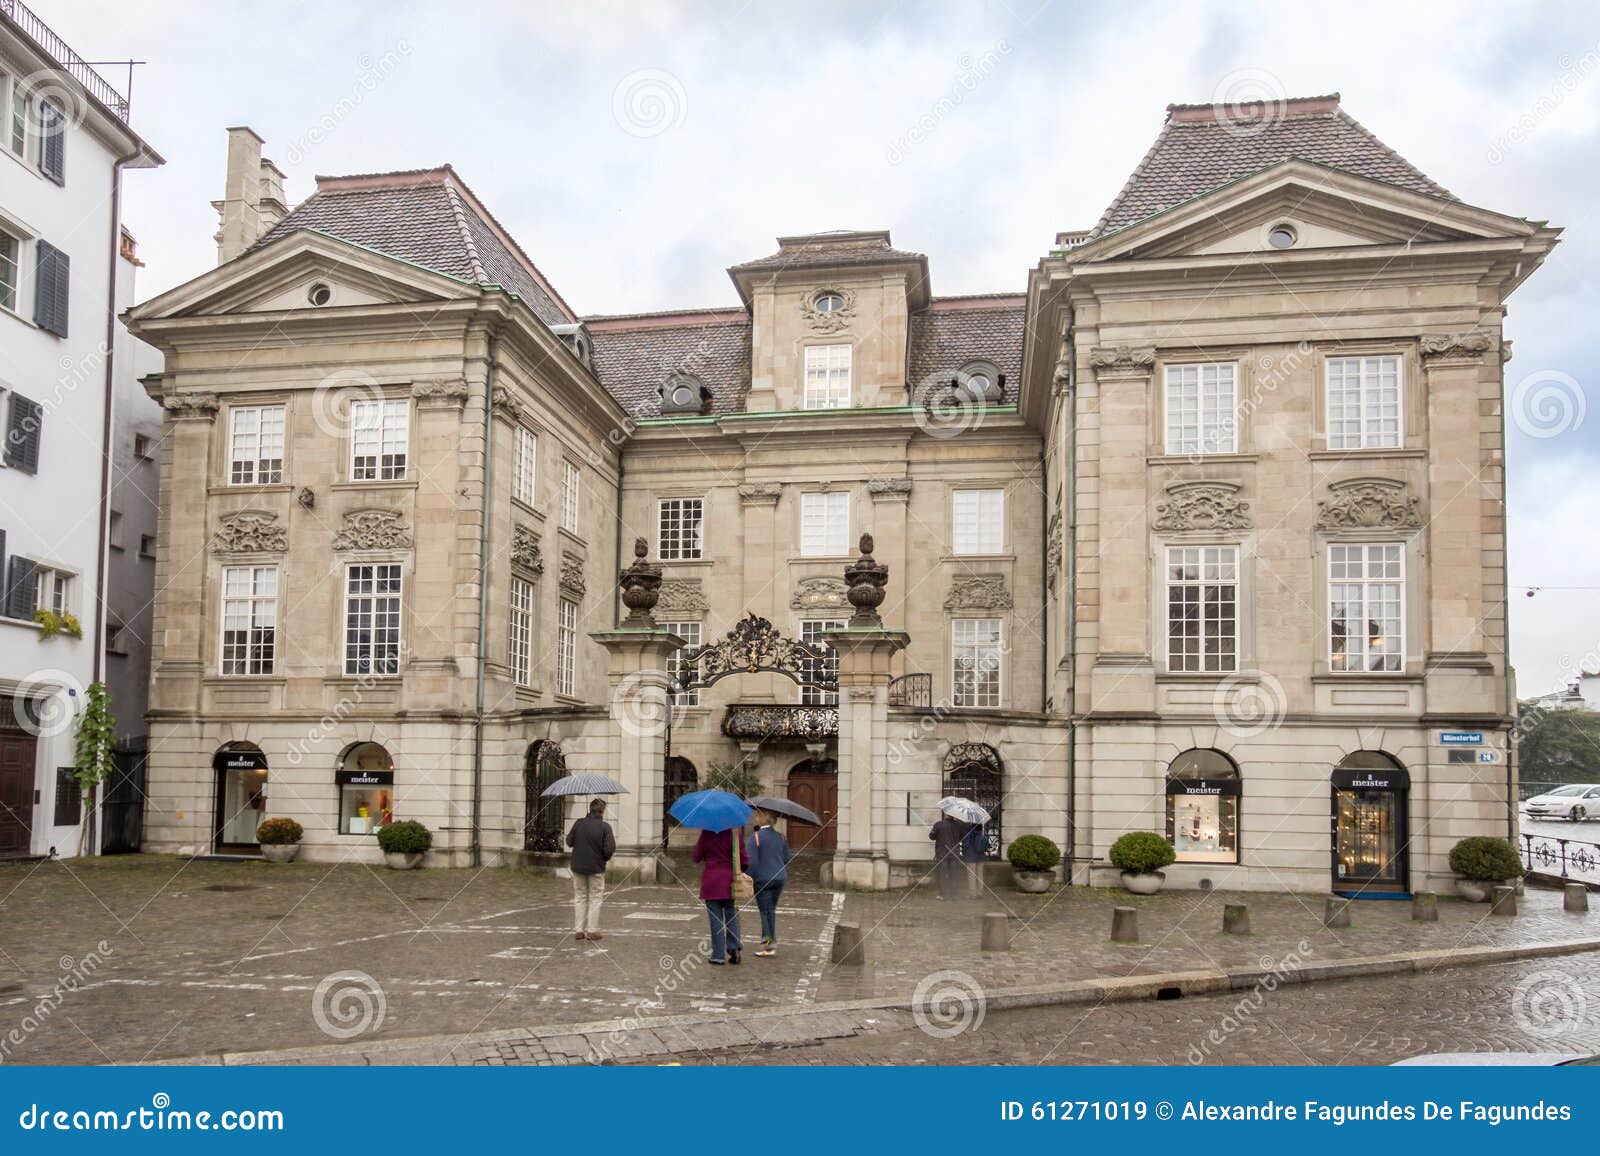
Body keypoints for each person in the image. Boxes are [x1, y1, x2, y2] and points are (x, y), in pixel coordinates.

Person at [692, 825, 748, 965]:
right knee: (732, 915)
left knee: (715, 919)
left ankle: (718, 955)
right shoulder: (736, 832)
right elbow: (744, 859)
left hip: (711, 880)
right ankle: (734, 948)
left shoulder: (707, 831)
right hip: (730, 879)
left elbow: (696, 856)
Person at [566, 799, 615, 940]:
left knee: (580, 897)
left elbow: (569, 842)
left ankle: (579, 930)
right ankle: (592, 930)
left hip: (578, 866)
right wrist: (603, 859)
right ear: (602, 811)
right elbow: (610, 849)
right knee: (595, 898)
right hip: (596, 868)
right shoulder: (605, 827)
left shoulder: (579, 823)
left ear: (590, 809)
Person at [745, 810, 792, 957]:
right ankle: (771, 943)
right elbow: (787, 858)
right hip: (780, 878)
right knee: (770, 910)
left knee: (765, 912)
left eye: (757, 815)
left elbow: (751, 862)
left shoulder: (755, 837)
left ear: (761, 818)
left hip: (762, 879)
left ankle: (768, 945)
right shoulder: (782, 837)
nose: (755, 817)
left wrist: (747, 878)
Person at [929, 813, 966, 900]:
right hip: (954, 854)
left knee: (942, 875)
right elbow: (962, 837)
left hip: (942, 854)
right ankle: (953, 895)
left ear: (945, 815)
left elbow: (931, 836)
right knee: (954, 875)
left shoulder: (939, 824)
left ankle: (943, 895)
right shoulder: (958, 825)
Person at [960, 820, 988, 898]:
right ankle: (980, 893)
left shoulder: (968, 831)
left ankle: (972, 894)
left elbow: (965, 844)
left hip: (971, 856)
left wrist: (963, 850)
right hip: (981, 856)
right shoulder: (982, 830)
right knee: (980, 875)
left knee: (971, 875)